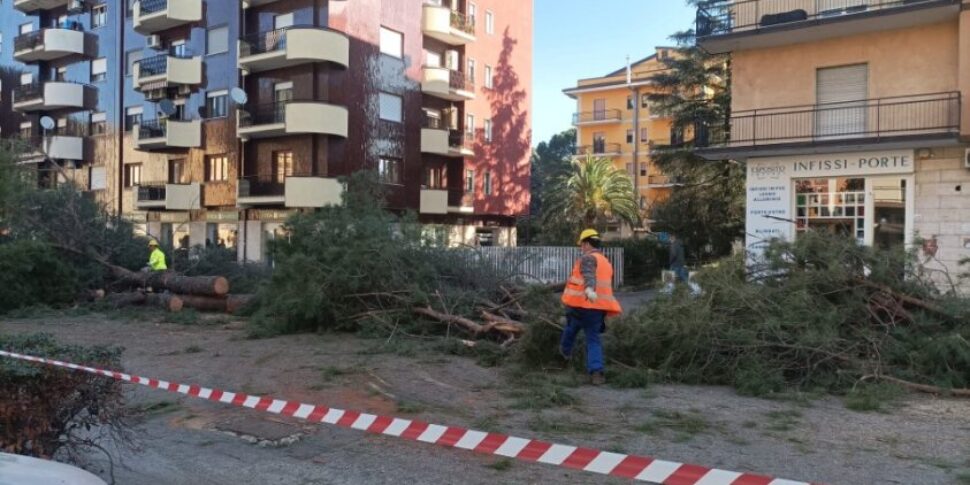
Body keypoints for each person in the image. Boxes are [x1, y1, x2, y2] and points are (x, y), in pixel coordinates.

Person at [559, 229, 623, 385]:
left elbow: (589, 276)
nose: (581, 248)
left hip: (580, 307)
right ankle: (596, 373)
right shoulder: (605, 262)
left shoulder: (588, 259)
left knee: (570, 331)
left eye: (582, 244)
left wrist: (589, 289)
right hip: (597, 309)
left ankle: (564, 356)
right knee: (593, 340)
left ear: (587, 243)